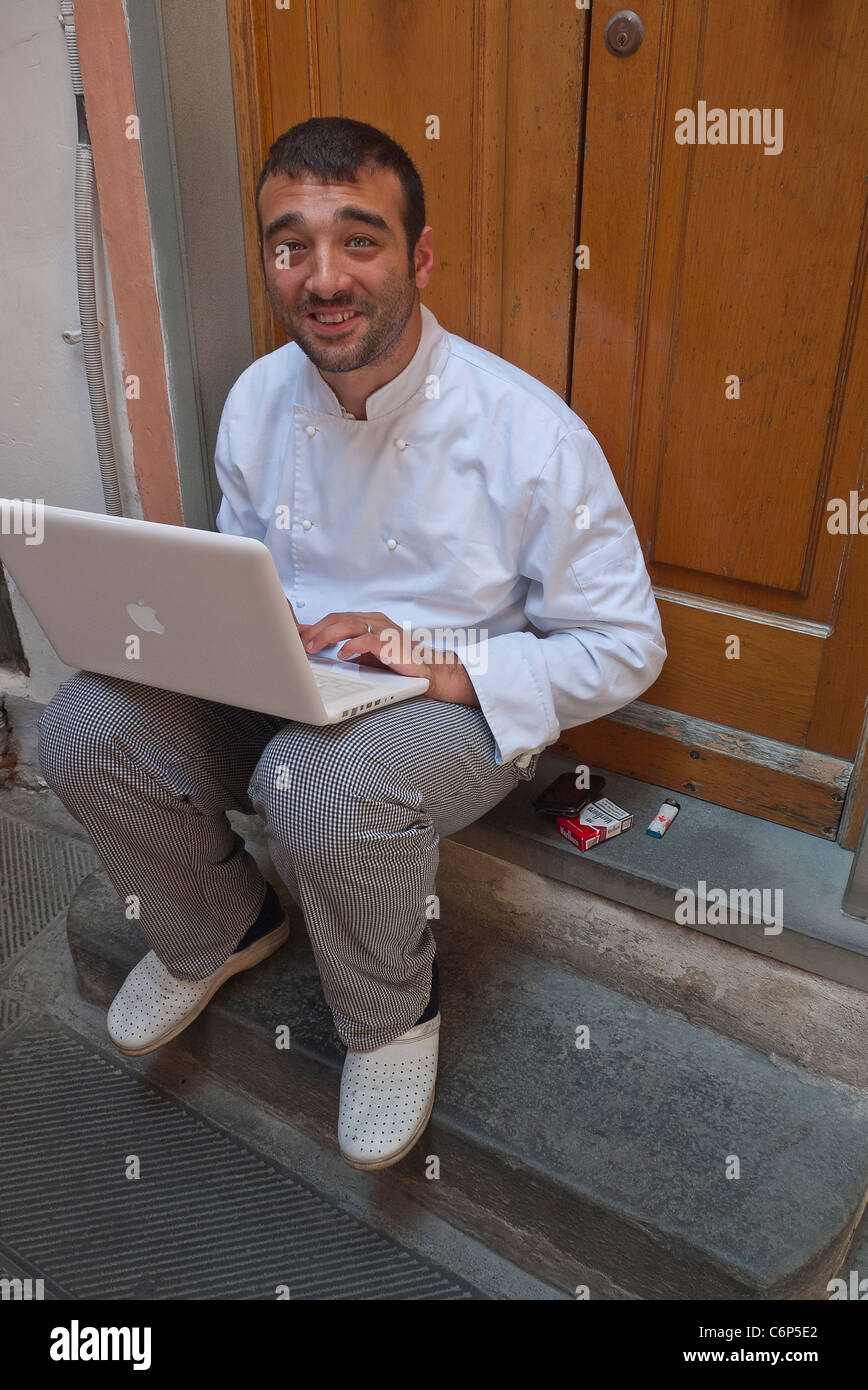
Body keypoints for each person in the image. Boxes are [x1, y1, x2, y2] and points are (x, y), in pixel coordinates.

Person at [38, 116, 666, 1171]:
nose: (323, 278)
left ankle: (388, 1014)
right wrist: (236, 629)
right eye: (292, 245)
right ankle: (219, 928)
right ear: (269, 261)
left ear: (417, 256)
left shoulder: (528, 432)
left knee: (312, 785)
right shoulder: (254, 398)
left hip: (453, 708)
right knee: (81, 726)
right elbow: (243, 567)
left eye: (359, 240)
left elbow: (624, 646)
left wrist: (445, 660)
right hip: (292, 680)